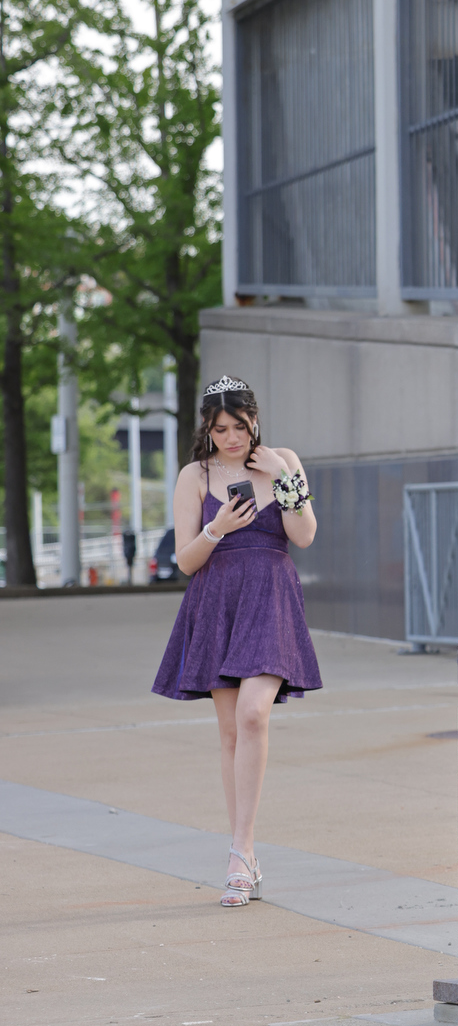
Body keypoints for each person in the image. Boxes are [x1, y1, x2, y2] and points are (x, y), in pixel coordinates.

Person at [151, 376, 320, 906]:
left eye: (240, 427)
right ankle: (242, 855)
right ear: (208, 428)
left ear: (254, 422)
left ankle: (241, 854)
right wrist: (217, 527)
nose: (231, 438)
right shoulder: (195, 476)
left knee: (252, 714)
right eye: (220, 429)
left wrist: (282, 478)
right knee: (230, 732)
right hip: (218, 601)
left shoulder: (283, 461)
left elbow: (305, 534)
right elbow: (185, 561)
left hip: (270, 598)